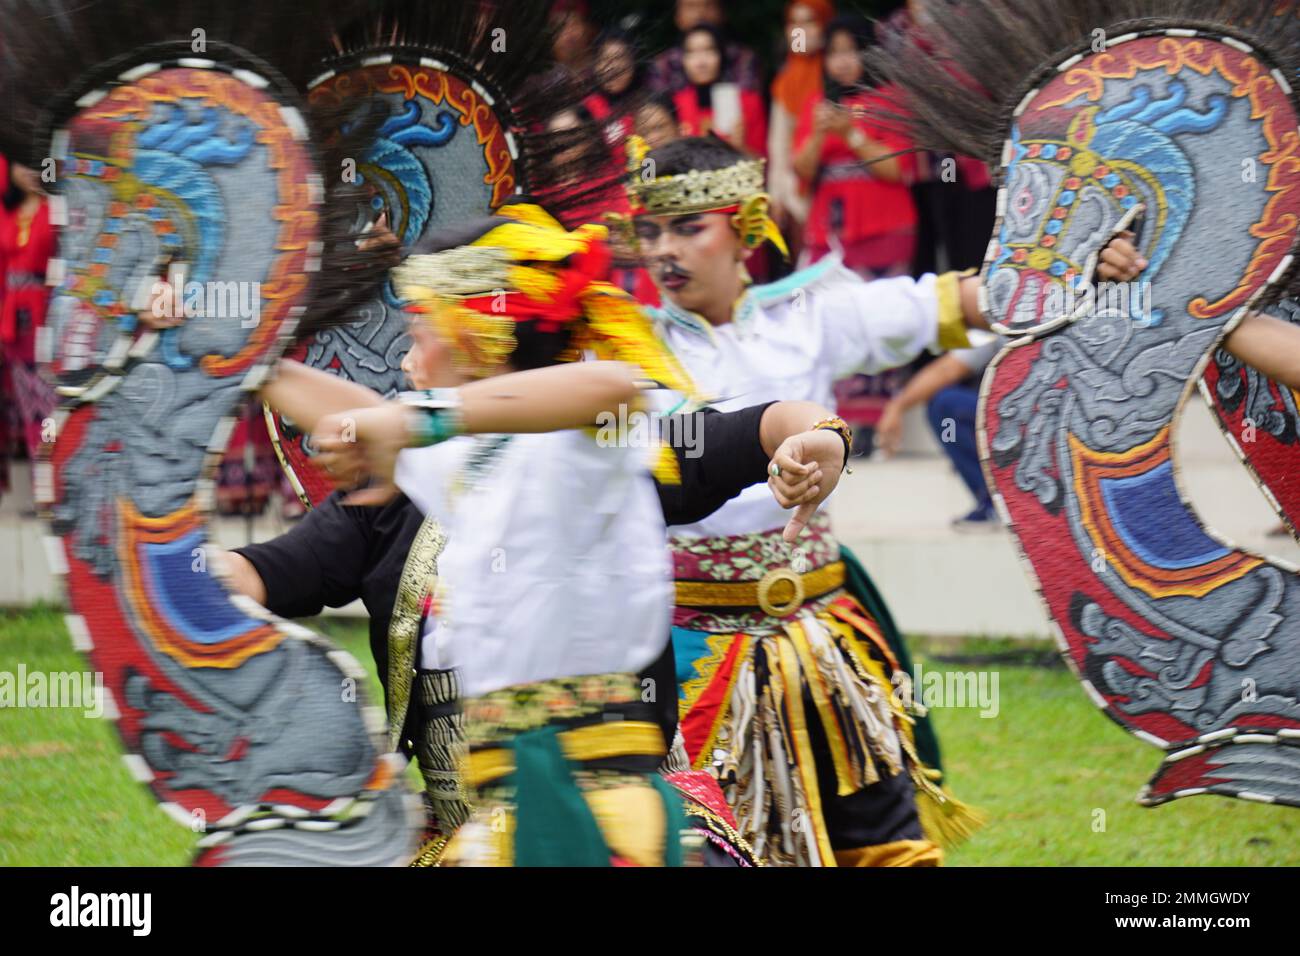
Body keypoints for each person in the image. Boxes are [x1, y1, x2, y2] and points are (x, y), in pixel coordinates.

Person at [625, 133, 1147, 865]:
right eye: (648, 231)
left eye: (687, 226)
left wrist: (1080, 263)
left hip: (824, 639)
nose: (663, 251)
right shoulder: (616, 349)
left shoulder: (811, 313)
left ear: (746, 227)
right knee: (715, 846)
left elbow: (969, 300)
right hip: (688, 652)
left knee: (882, 841)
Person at [308, 201, 853, 866]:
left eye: (420, 333)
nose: (408, 357)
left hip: (603, 810)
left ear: (477, 339)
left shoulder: (592, 444)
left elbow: (613, 385)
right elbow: (352, 416)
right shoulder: (468, 458)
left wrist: (821, 435)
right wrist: (232, 359)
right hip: (506, 815)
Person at [875, 336, 1003, 530]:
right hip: (1016, 413)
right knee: (946, 410)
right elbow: (948, 369)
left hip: (1053, 414)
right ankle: (992, 500)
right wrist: (896, 407)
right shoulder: (1007, 319)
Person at [0, 158, 58, 506]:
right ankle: (44, 488)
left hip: (48, 316)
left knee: (53, 404)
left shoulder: (57, 209)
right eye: (19, 165)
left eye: (35, 164)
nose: (28, 171)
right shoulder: (9, 212)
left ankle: (59, 479)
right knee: (29, 408)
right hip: (14, 325)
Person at [767, 0, 835, 245]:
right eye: (793, 23)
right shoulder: (785, 80)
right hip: (797, 195)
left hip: (838, 186)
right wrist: (778, 196)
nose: (799, 31)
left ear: (825, 26)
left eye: (808, 22)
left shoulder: (838, 72)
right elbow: (779, 145)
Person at [672, 24, 767, 160]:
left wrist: (739, 147)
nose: (701, 62)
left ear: (721, 55)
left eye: (709, 50)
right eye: (691, 52)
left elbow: (763, 164)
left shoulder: (749, 101)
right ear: (682, 60)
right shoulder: (675, 104)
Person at [648, 0, 761, 97]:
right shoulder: (662, 65)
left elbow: (751, 107)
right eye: (691, 6)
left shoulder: (743, 59)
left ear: (722, 13)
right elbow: (659, 111)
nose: (700, 14)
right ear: (677, 17)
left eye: (709, 5)